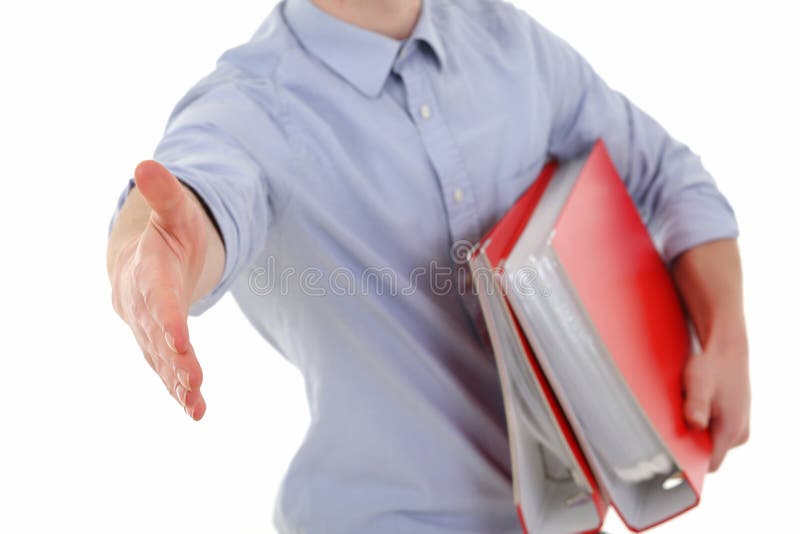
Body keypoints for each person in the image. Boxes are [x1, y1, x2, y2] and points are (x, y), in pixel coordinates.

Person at [106, 0, 750, 531]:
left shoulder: (508, 41)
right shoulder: (250, 105)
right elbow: (189, 197)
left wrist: (725, 336)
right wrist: (156, 250)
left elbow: (669, 176)